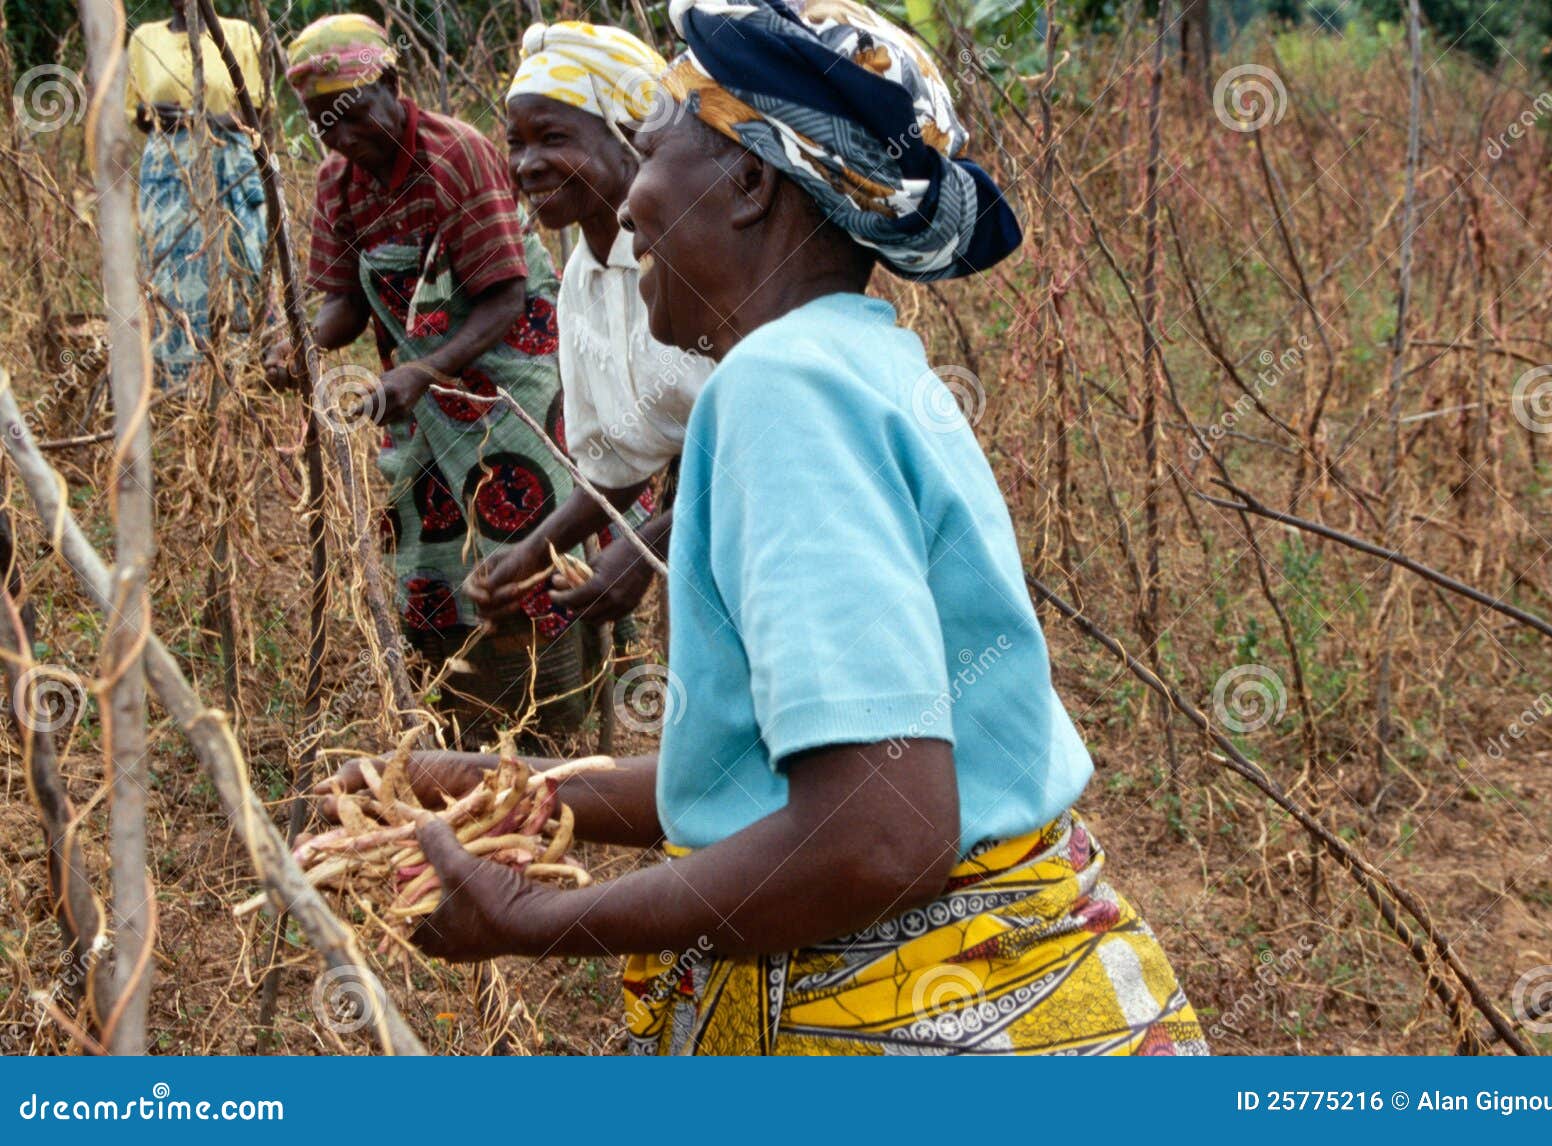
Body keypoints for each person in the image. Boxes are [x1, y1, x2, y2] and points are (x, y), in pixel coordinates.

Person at [324, 0, 1205, 1056]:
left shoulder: (782, 388)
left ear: (749, 184)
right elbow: (786, 781)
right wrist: (495, 785)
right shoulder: (862, 361)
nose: (634, 205)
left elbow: (877, 837)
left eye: (650, 154)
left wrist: (534, 921)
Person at [266, 14, 597, 744]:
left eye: (350, 113)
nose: (339, 134)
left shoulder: (457, 156)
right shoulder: (338, 184)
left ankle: (550, 720)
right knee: (427, 541)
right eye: (322, 121)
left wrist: (424, 368)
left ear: (390, 84)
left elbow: (506, 296)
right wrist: (297, 347)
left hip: (512, 371)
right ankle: (466, 719)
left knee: (526, 527)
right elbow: (344, 308)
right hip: (416, 392)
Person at [466, 22, 711, 629]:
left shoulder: (704, 253)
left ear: (628, 137)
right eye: (516, 144)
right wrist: (529, 553)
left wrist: (653, 541)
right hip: (715, 538)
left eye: (552, 138)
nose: (526, 165)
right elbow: (616, 462)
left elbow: (773, 437)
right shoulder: (581, 278)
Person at [127, 2, 269, 387]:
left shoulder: (241, 35)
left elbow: (255, 109)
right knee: (170, 270)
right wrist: (155, 113)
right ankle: (177, 381)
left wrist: (199, 118)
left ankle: (240, 377)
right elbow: (137, 112)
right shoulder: (144, 39)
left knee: (238, 264)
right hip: (168, 174)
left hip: (229, 168)